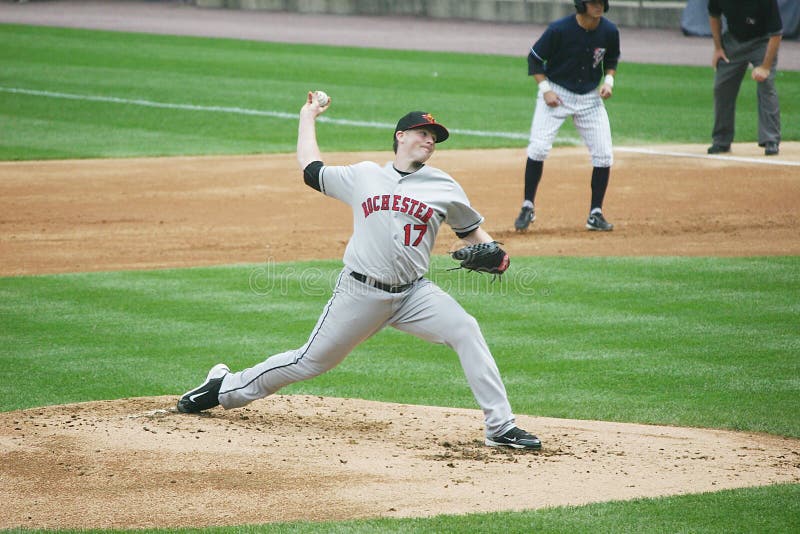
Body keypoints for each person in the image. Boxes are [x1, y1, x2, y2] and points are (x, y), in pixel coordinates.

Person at [176, 92, 542, 451]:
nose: (429, 141)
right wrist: (307, 116)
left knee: (466, 329)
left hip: (414, 294)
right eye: (422, 133)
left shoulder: (444, 185)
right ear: (401, 136)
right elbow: (310, 170)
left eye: (434, 137)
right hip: (360, 293)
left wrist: (498, 254)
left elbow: (472, 234)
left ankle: (500, 426)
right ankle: (222, 388)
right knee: (309, 361)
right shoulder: (364, 175)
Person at [514, 0, 620, 233]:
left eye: (601, 2)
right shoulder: (559, 29)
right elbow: (534, 59)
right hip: (556, 93)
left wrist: (609, 81)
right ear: (581, 4)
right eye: (593, 2)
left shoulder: (610, 31)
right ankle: (527, 206)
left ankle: (596, 214)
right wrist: (546, 90)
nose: (598, 6)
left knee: (603, 155)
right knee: (538, 148)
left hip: (590, 99)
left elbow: (611, 60)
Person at [707, 0, 783, 156]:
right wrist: (718, 48)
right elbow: (714, 15)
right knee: (721, 87)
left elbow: (776, 34)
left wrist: (765, 67)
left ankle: (771, 140)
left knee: (766, 84)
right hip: (733, 40)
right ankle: (721, 141)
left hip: (762, 41)